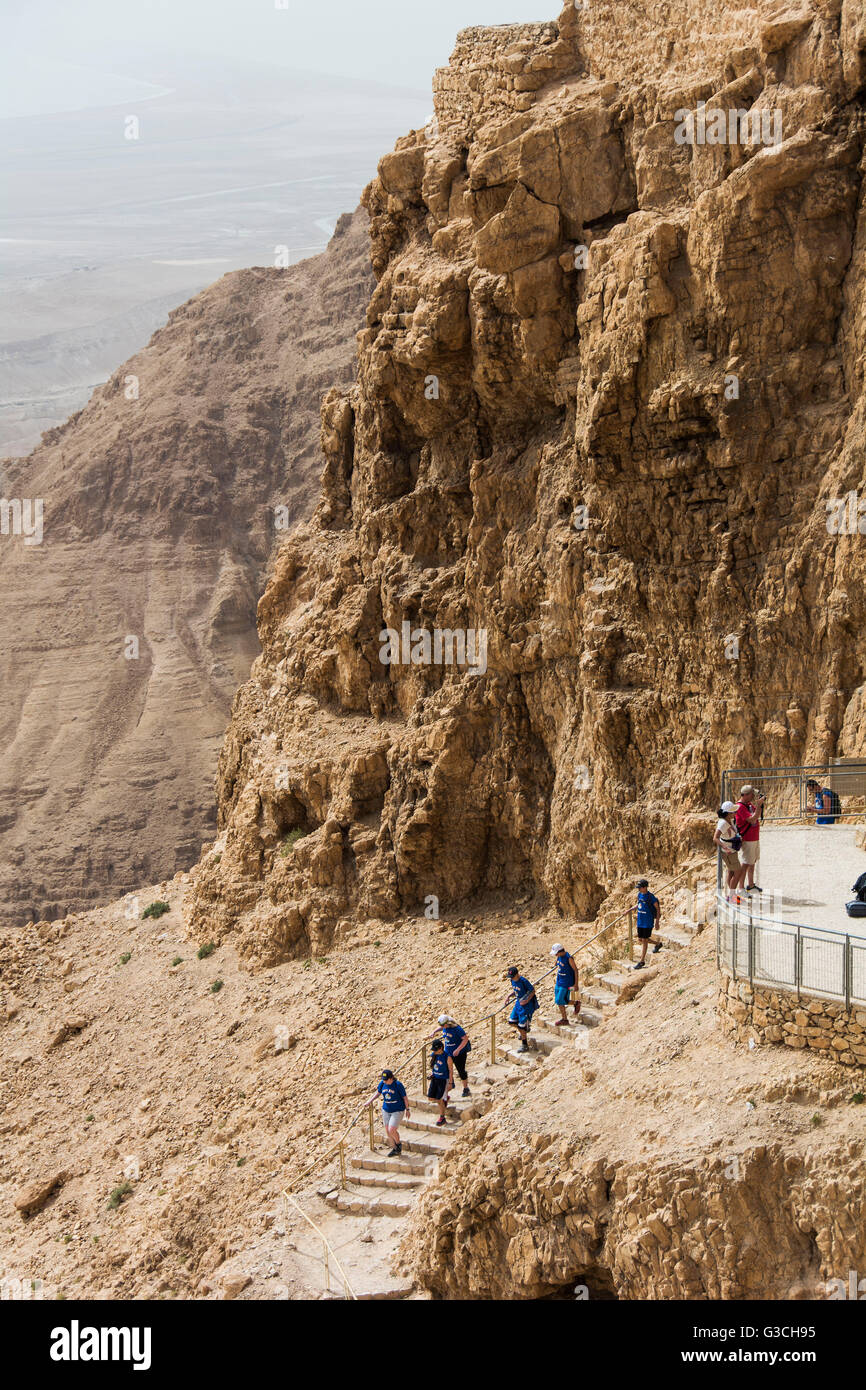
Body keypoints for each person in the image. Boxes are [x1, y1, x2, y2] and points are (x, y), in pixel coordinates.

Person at [431, 1014, 472, 1097]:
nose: (442, 1027)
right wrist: (434, 1031)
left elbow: (465, 1039)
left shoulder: (457, 1029)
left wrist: (458, 1049)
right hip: (448, 1052)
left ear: (447, 1023)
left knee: (461, 1070)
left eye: (443, 1025)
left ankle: (466, 1088)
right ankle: (451, 1083)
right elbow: (441, 1028)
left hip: (459, 1054)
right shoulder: (445, 1027)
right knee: (446, 1068)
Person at [374, 1068, 410, 1157]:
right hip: (386, 1109)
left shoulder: (398, 1085)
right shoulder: (382, 1083)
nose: (385, 1081)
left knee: (392, 1129)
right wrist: (369, 1101)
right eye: (384, 1080)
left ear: (391, 1078)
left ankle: (398, 1144)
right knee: (387, 1130)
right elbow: (378, 1093)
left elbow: (405, 1098)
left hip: (397, 1110)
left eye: (386, 1080)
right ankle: (395, 1149)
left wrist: (407, 1109)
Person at [734, 785, 764, 891]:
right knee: (746, 863)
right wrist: (759, 805)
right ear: (746, 795)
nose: (753, 796)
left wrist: (759, 805)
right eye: (752, 794)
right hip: (747, 839)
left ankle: (751, 885)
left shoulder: (749, 804)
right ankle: (741, 887)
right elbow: (752, 819)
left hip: (754, 837)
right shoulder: (740, 807)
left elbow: (757, 814)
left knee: (752, 862)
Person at [714, 801, 745, 899]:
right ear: (728, 813)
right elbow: (715, 838)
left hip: (731, 850)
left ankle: (732, 894)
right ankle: (731, 896)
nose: (735, 813)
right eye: (733, 812)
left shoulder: (728, 820)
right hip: (729, 852)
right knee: (738, 872)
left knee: (731, 872)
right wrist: (725, 847)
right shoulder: (723, 823)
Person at [505, 966, 538, 1052]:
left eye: (513, 976)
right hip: (518, 1004)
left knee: (521, 1027)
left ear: (517, 974)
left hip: (526, 1006)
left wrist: (527, 1000)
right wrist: (509, 996)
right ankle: (524, 1031)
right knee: (512, 1022)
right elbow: (516, 990)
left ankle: (525, 1044)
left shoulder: (524, 981)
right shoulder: (512, 980)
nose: (511, 978)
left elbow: (532, 991)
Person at [633, 878, 662, 969]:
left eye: (640, 887)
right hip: (640, 921)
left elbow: (657, 908)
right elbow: (639, 904)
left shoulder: (651, 897)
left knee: (645, 940)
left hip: (647, 921)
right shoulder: (639, 895)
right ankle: (658, 944)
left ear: (645, 887)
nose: (638, 889)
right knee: (641, 939)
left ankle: (642, 961)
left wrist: (657, 922)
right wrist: (630, 910)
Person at [550, 943, 580, 1025]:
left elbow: (575, 970)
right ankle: (565, 1018)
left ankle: (575, 1004)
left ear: (560, 951)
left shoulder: (568, 958)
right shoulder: (559, 957)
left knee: (559, 1000)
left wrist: (576, 984)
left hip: (567, 983)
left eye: (556, 953)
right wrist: (556, 963)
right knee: (559, 1000)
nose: (555, 955)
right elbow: (557, 962)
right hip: (559, 981)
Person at [427, 1040, 454, 1126]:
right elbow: (434, 1065)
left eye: (436, 1050)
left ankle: (442, 1117)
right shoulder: (434, 1055)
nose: (434, 1051)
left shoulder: (447, 1057)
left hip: (443, 1080)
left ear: (441, 1048)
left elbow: (451, 1070)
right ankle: (445, 1099)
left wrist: (450, 1083)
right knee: (430, 1098)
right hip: (435, 1078)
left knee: (439, 1099)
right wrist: (432, 1074)